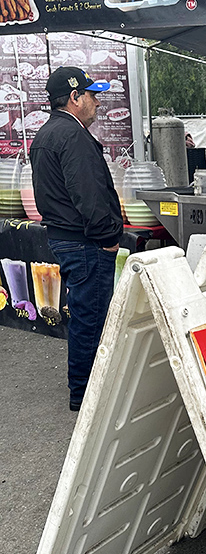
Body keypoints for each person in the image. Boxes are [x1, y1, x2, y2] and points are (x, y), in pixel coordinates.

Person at [30, 67, 124, 412]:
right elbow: (89, 195)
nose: (97, 103)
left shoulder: (46, 134)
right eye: (92, 95)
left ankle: (85, 389)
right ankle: (86, 395)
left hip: (67, 238)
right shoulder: (72, 136)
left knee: (86, 314)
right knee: (92, 317)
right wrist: (108, 238)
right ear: (74, 98)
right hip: (84, 242)